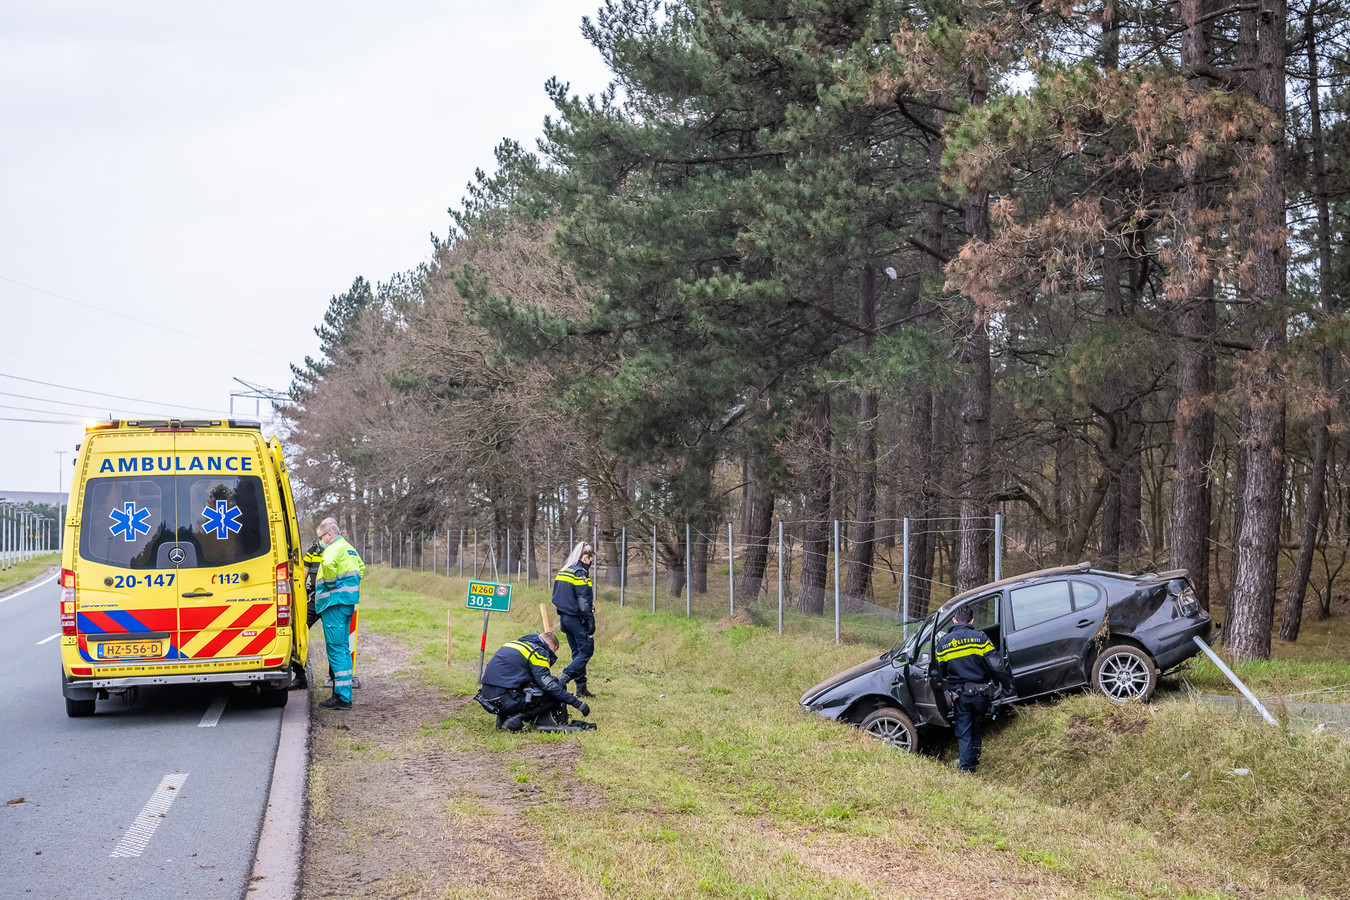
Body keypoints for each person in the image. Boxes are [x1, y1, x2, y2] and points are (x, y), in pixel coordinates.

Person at [935, 604, 1015, 774]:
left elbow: (939, 671)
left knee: (964, 732)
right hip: (982, 694)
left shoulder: (943, 643)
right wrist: (1008, 686)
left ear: (955, 620)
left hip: (960, 696)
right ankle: (975, 757)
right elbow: (996, 666)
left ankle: (967, 769)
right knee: (977, 726)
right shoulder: (981, 638)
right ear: (972, 621)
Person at [477, 631, 590, 731]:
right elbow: (548, 685)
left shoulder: (513, 644)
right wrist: (577, 703)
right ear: (550, 646)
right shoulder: (538, 651)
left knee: (521, 687)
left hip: (487, 699)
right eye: (553, 652)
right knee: (556, 689)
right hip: (505, 700)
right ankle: (516, 719)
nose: (551, 656)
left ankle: (502, 719)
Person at [313, 517, 365, 710]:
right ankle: (343, 694)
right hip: (347, 604)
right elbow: (361, 568)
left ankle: (342, 697)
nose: (321, 541)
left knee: (336, 650)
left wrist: (333, 585)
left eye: (321, 537)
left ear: (329, 534)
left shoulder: (332, 549)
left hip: (333, 604)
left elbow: (327, 565)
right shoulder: (349, 548)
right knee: (343, 649)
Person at [552, 541, 596, 697]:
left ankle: (581, 688)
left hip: (564, 618)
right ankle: (562, 679)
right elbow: (583, 600)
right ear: (586, 557)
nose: (591, 562)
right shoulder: (579, 573)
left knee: (577, 652)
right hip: (576, 619)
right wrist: (590, 620)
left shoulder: (564, 571)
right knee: (586, 651)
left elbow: (557, 595)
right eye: (591, 559)